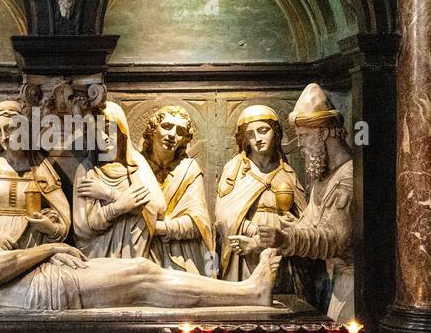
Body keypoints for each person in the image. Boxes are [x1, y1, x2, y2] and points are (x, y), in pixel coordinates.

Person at [0, 242, 283, 313]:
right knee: (143, 278)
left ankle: (245, 291)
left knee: (141, 274)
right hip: (33, 291)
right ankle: (249, 292)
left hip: (31, 281)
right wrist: (49, 247)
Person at [258, 83, 356, 321]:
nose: (299, 145)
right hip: (332, 280)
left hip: (353, 287)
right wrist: (262, 240)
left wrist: (288, 239)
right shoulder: (323, 178)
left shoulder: (350, 178)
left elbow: (334, 239)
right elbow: (309, 225)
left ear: (322, 133)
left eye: (303, 136)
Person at [0, 100, 70, 253]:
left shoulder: (42, 170)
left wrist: (51, 228)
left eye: (10, 129)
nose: (4, 137)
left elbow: (63, 220)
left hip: (34, 246)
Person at [217, 104, 308, 294]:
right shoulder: (235, 170)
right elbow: (224, 217)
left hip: (280, 252)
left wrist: (293, 225)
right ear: (244, 140)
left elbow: (306, 219)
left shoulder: (287, 173)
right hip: (245, 251)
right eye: (250, 134)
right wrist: (255, 233)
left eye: (263, 130)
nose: (258, 139)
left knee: (280, 300)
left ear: (275, 133)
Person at [72, 101, 166, 259]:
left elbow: (157, 208)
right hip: (98, 256)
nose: (103, 138)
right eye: (96, 132)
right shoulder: (87, 170)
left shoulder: (135, 164)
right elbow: (83, 228)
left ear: (122, 130)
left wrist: (110, 194)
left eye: (108, 129)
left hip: (136, 257)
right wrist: (118, 207)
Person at [140, 105, 215, 275]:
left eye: (180, 131)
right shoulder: (136, 166)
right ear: (152, 130)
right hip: (140, 250)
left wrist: (157, 227)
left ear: (185, 139)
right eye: (166, 126)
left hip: (180, 256)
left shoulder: (189, 169)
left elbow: (198, 224)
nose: (172, 134)